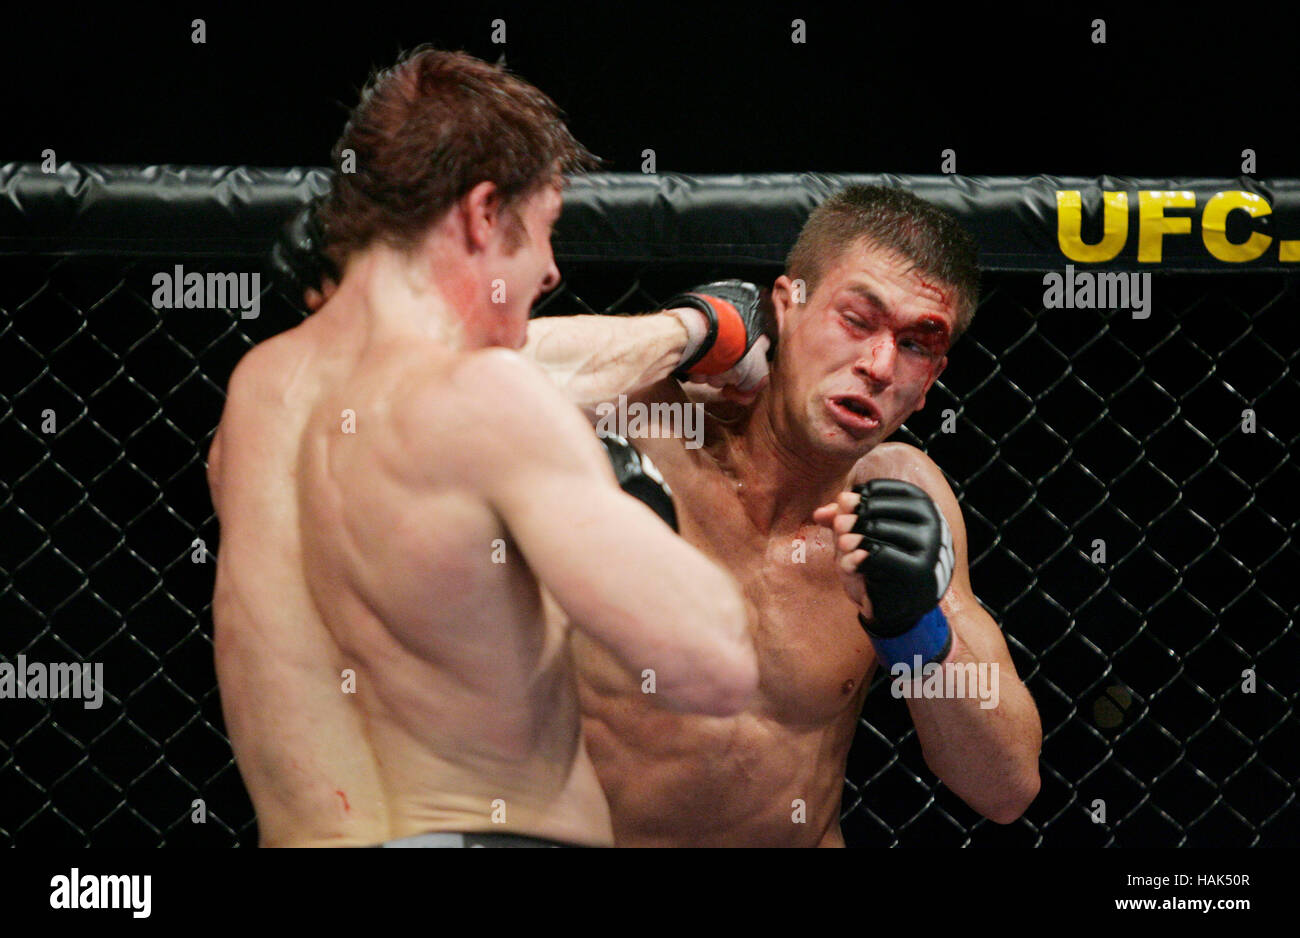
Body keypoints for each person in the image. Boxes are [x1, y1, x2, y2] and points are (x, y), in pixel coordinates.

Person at [209, 46, 758, 848]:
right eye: (544, 230)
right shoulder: (488, 401)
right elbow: (712, 666)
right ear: (482, 213)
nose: (551, 269)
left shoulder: (256, 400)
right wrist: (633, 506)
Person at [523, 185, 1043, 845]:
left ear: (928, 387)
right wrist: (692, 328)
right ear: (786, 308)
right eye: (857, 318)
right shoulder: (643, 420)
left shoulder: (904, 493)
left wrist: (916, 629)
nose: (880, 365)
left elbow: (1006, 786)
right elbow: (450, 372)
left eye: (915, 344)